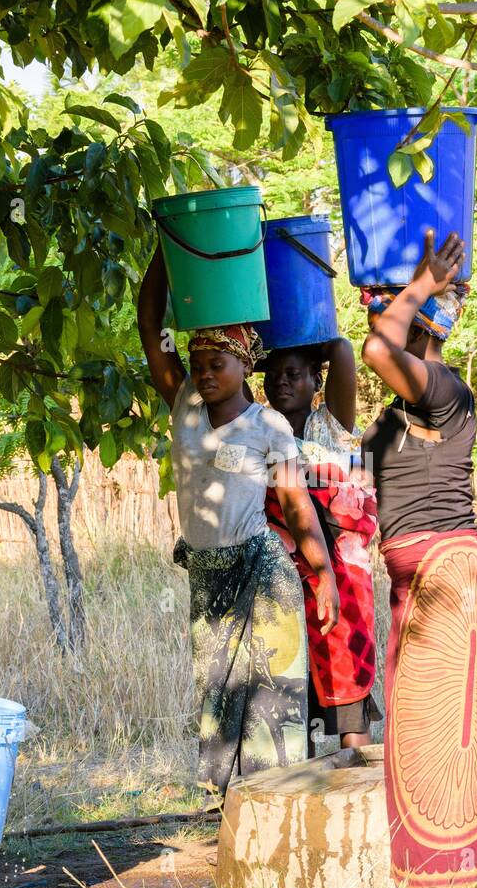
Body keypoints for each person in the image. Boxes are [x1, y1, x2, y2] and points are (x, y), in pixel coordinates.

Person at [138, 246, 340, 798]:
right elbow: (149, 326)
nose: (204, 374)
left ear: (243, 365)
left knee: (271, 693)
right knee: (219, 691)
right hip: (208, 577)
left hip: (263, 572)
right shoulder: (183, 406)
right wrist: (167, 253)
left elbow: (297, 506)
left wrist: (322, 576)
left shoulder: (267, 424)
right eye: (198, 365)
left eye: (216, 365)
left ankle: (278, 803)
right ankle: (231, 809)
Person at [361, 230, 477, 888]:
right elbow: (364, 353)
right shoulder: (404, 411)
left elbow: (374, 347)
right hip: (443, 582)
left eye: (400, 306)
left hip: (448, 585)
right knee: (448, 734)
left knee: (441, 736)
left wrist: (424, 284)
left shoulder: (443, 389)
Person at [262, 339, 380, 754]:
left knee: (347, 692)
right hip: (285, 583)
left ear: (316, 379)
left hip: (341, 583)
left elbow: (344, 350)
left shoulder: (329, 426)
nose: (281, 383)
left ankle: (359, 793)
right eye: (272, 376)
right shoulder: (257, 431)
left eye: (293, 374)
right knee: (294, 701)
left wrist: (298, 318)